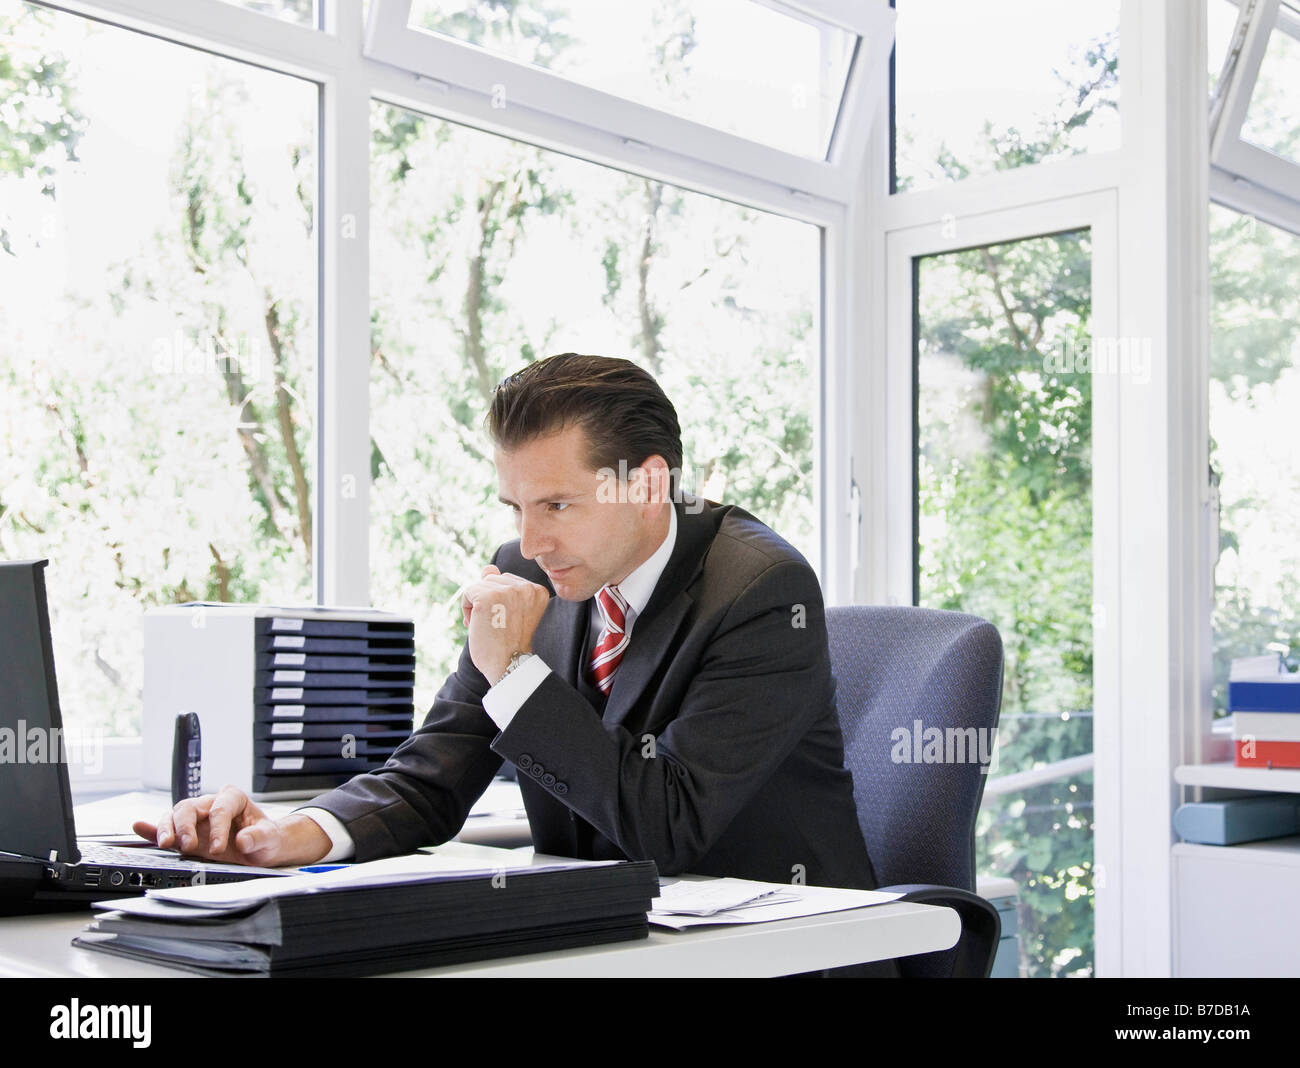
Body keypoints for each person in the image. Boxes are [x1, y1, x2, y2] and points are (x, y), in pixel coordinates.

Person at [135, 353, 882, 896]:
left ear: (649, 483)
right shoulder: (530, 576)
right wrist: (290, 835)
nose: (530, 544)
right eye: (516, 509)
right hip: (615, 944)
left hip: (790, 950)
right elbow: (434, 775)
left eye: (557, 505)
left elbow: (669, 825)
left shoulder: (759, 590)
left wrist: (517, 674)